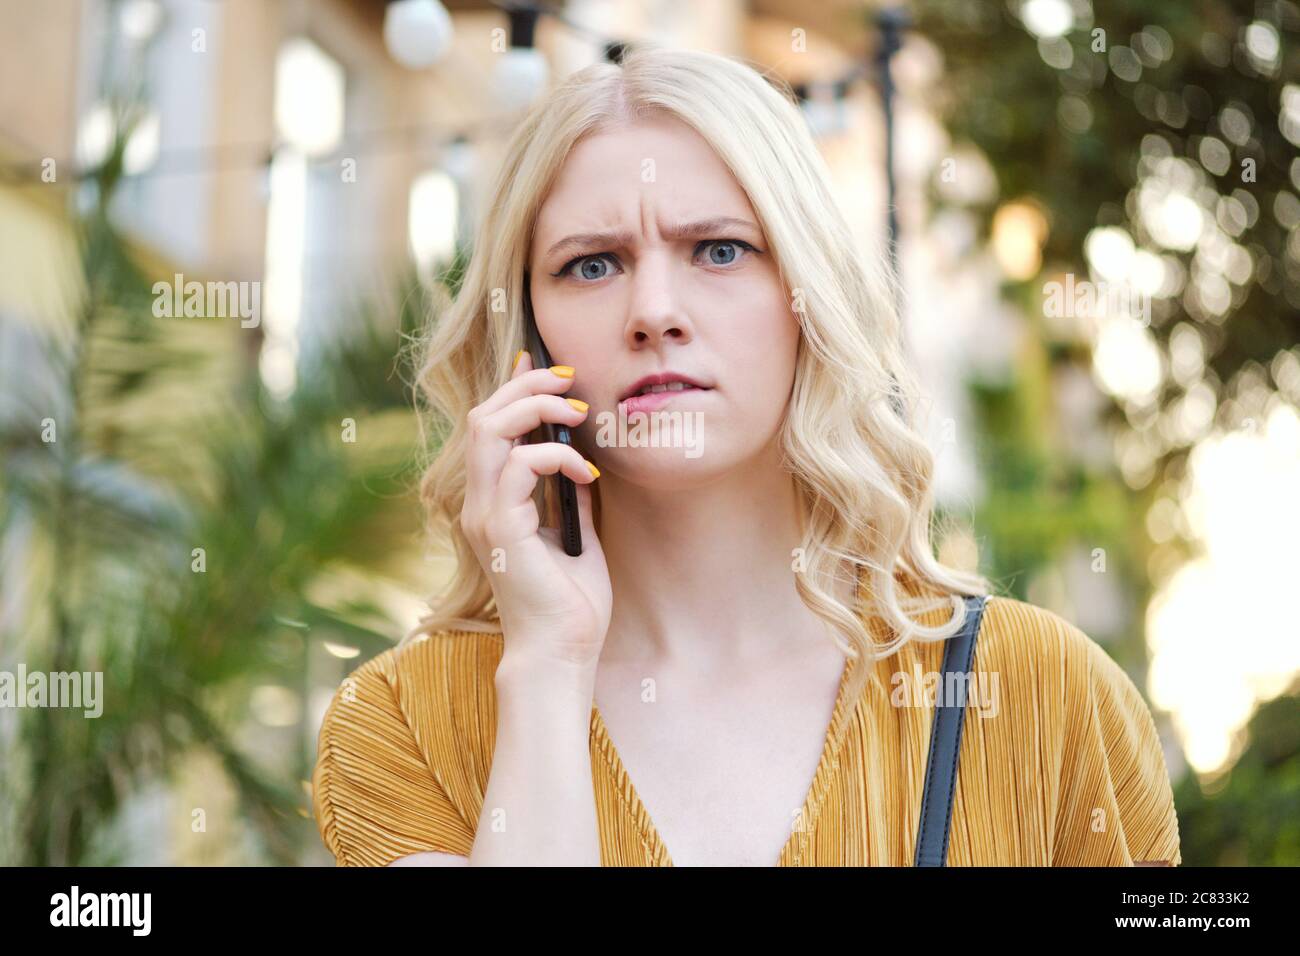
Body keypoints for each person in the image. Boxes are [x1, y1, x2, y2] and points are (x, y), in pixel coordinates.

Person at [310, 45, 1181, 867]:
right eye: (591, 264)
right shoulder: (404, 724)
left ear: (809, 300)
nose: (654, 310)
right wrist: (548, 664)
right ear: (525, 337)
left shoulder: (1047, 698)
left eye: (719, 250)